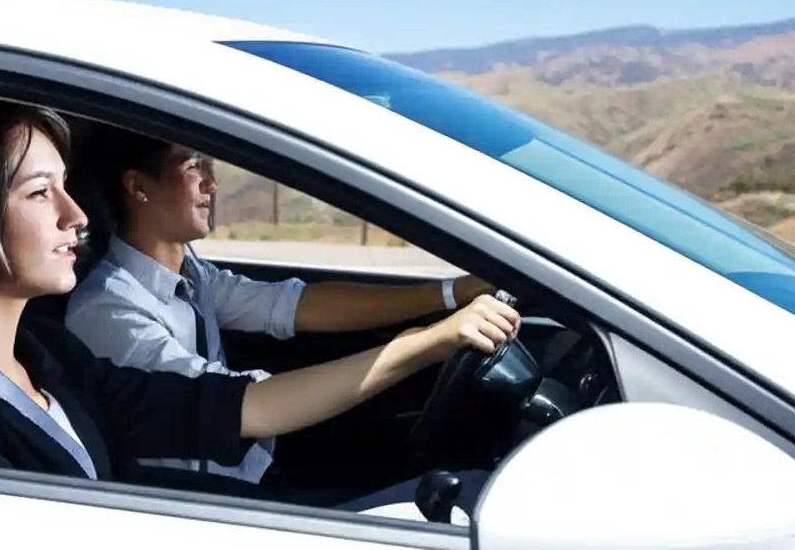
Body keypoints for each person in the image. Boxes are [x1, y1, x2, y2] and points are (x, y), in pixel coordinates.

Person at [0, 95, 518, 515]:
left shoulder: (51, 357)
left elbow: (244, 406)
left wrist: (434, 335)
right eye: (39, 195)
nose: (76, 215)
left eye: (67, 187)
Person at [64, 128, 500, 485]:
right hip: (198, 502)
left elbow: (297, 305)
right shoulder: (108, 311)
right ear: (138, 186)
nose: (212, 183)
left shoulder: (193, 275)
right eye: (193, 164)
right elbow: (241, 406)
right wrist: (424, 343)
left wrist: (449, 293)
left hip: (251, 472)